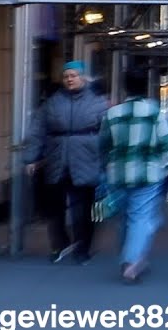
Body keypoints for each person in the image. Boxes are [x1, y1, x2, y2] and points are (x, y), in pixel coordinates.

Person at [24, 61, 109, 264]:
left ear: (82, 77)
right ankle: (60, 245)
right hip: (57, 161)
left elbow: (107, 132)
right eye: (66, 76)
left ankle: (82, 248)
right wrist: (31, 157)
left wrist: (106, 159)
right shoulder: (52, 103)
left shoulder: (97, 102)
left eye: (73, 75)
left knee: (84, 210)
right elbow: (37, 131)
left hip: (87, 160)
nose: (69, 79)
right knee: (55, 209)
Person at [99, 67, 168, 283]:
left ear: (125, 87)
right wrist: (163, 164)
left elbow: (103, 144)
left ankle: (127, 257)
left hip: (118, 172)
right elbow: (167, 141)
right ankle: (132, 262)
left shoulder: (112, 113)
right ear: (146, 87)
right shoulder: (155, 112)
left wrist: (107, 164)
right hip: (147, 172)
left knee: (123, 217)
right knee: (140, 216)